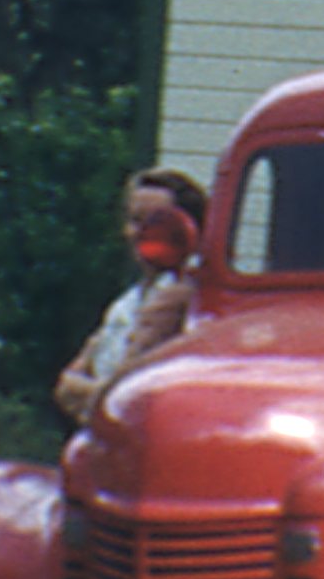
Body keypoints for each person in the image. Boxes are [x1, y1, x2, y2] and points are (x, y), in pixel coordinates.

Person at [53, 168, 208, 424]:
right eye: (134, 220)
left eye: (153, 223)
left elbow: (120, 394)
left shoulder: (181, 296)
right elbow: (67, 383)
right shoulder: (127, 303)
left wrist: (90, 393)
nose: (134, 232)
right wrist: (91, 393)